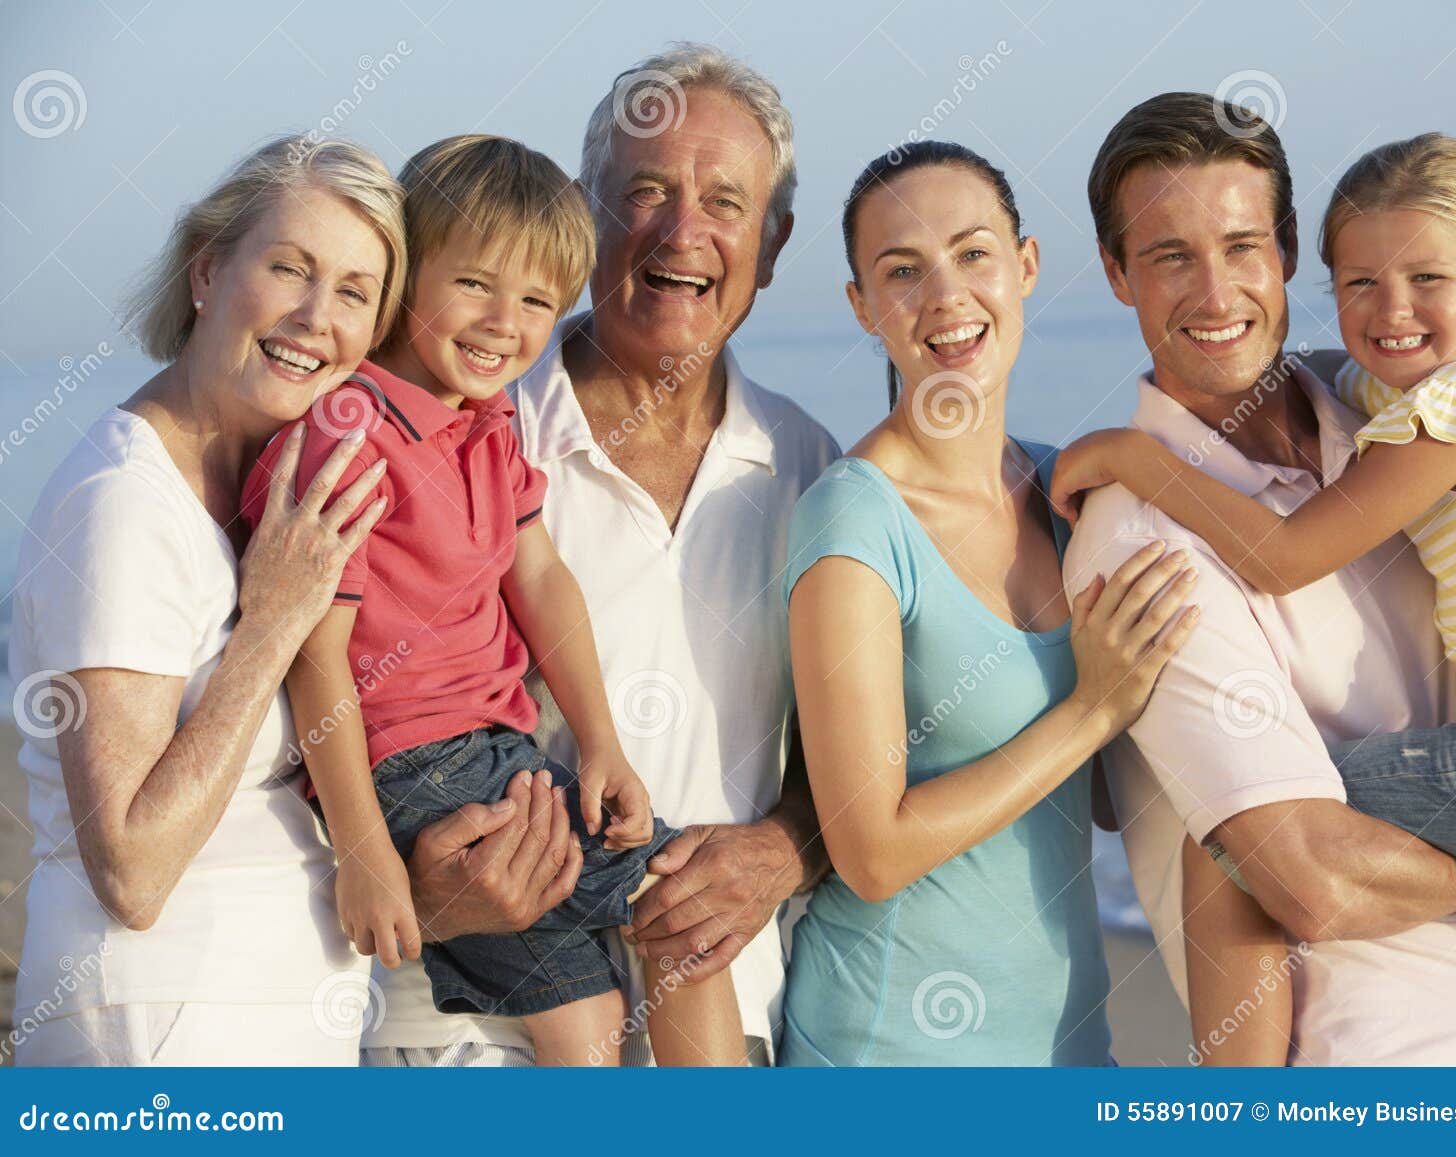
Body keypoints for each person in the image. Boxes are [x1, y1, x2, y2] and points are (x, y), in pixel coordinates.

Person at [1058, 92, 1456, 1067]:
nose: (1216, 293)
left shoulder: (1389, 414)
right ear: (1114, 272)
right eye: (1169, 255)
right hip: (1383, 1074)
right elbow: (1307, 880)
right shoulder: (1139, 535)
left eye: (1239, 246)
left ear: (1286, 251)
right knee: (1228, 850)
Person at [361, 44, 838, 1068]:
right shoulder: (459, 437)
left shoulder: (811, 468)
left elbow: (872, 752)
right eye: (647, 191)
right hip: (463, 1041)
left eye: (724, 201)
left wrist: (785, 847)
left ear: (775, 238)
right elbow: (308, 719)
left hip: (725, 1025)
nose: (682, 231)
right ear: (585, 215)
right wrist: (424, 896)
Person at [240, 135, 743, 1067]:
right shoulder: (351, 431)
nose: (504, 323)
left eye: (539, 302)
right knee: (688, 904)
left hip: (495, 755)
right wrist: (362, 850)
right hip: (411, 765)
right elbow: (314, 654)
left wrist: (600, 742)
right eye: (475, 284)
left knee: (584, 1025)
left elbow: (542, 578)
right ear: (404, 279)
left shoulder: (490, 417)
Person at [778, 141, 1197, 1066]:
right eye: (902, 270)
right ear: (861, 306)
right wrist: (1092, 707)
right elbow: (870, 851)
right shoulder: (852, 520)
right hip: (887, 1055)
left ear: (1028, 267)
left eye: (973, 254)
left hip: (1068, 1039)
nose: (946, 296)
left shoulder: (1065, 489)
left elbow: (1111, 798)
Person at [8, 137, 405, 1065]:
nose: (316, 317)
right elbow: (133, 871)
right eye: (288, 268)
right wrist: (269, 626)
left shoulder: (273, 488)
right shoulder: (122, 504)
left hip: (271, 1026)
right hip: (159, 1039)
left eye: (353, 291)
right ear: (205, 271)